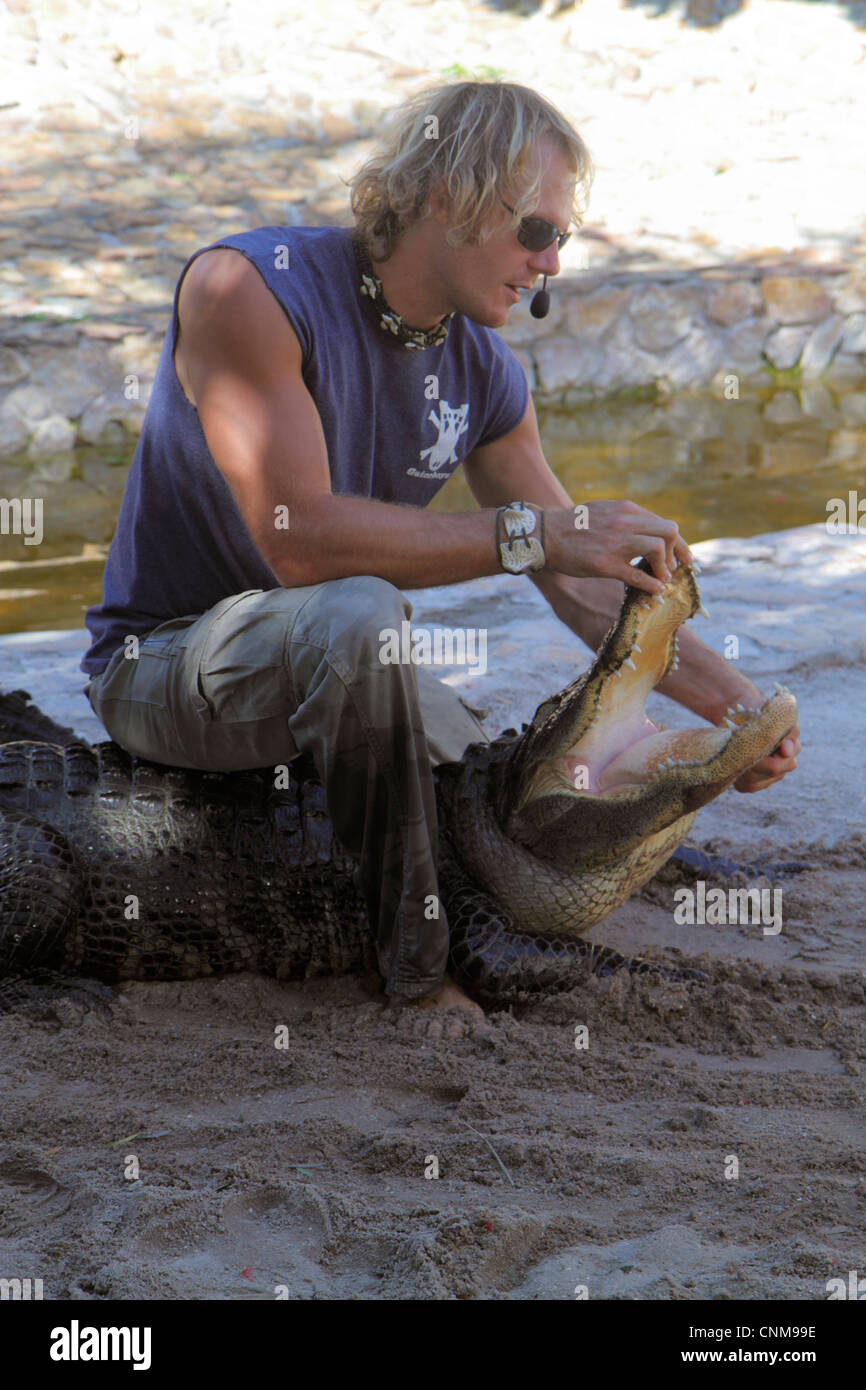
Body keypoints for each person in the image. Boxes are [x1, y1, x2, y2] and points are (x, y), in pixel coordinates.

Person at [80, 81, 800, 1029]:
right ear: (446, 195)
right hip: (169, 664)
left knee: (499, 770)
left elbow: (587, 595)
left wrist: (738, 714)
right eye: (534, 230)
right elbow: (299, 544)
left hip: (333, 664)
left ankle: (670, 867)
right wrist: (541, 532)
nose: (549, 264)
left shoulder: (486, 368)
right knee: (362, 615)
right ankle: (414, 973)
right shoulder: (247, 288)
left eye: (563, 241)